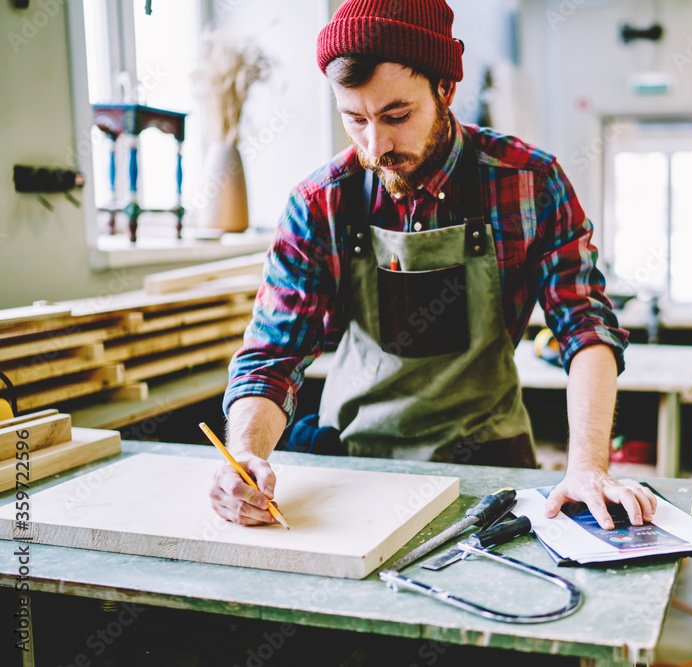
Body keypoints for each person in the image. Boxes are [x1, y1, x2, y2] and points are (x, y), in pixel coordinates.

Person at [210, 0, 657, 532]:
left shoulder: (528, 181)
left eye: (397, 115)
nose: (375, 145)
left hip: (489, 468)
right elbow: (273, 353)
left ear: (445, 87)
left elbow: (585, 326)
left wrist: (588, 467)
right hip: (354, 464)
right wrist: (245, 458)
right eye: (355, 119)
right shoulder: (320, 202)